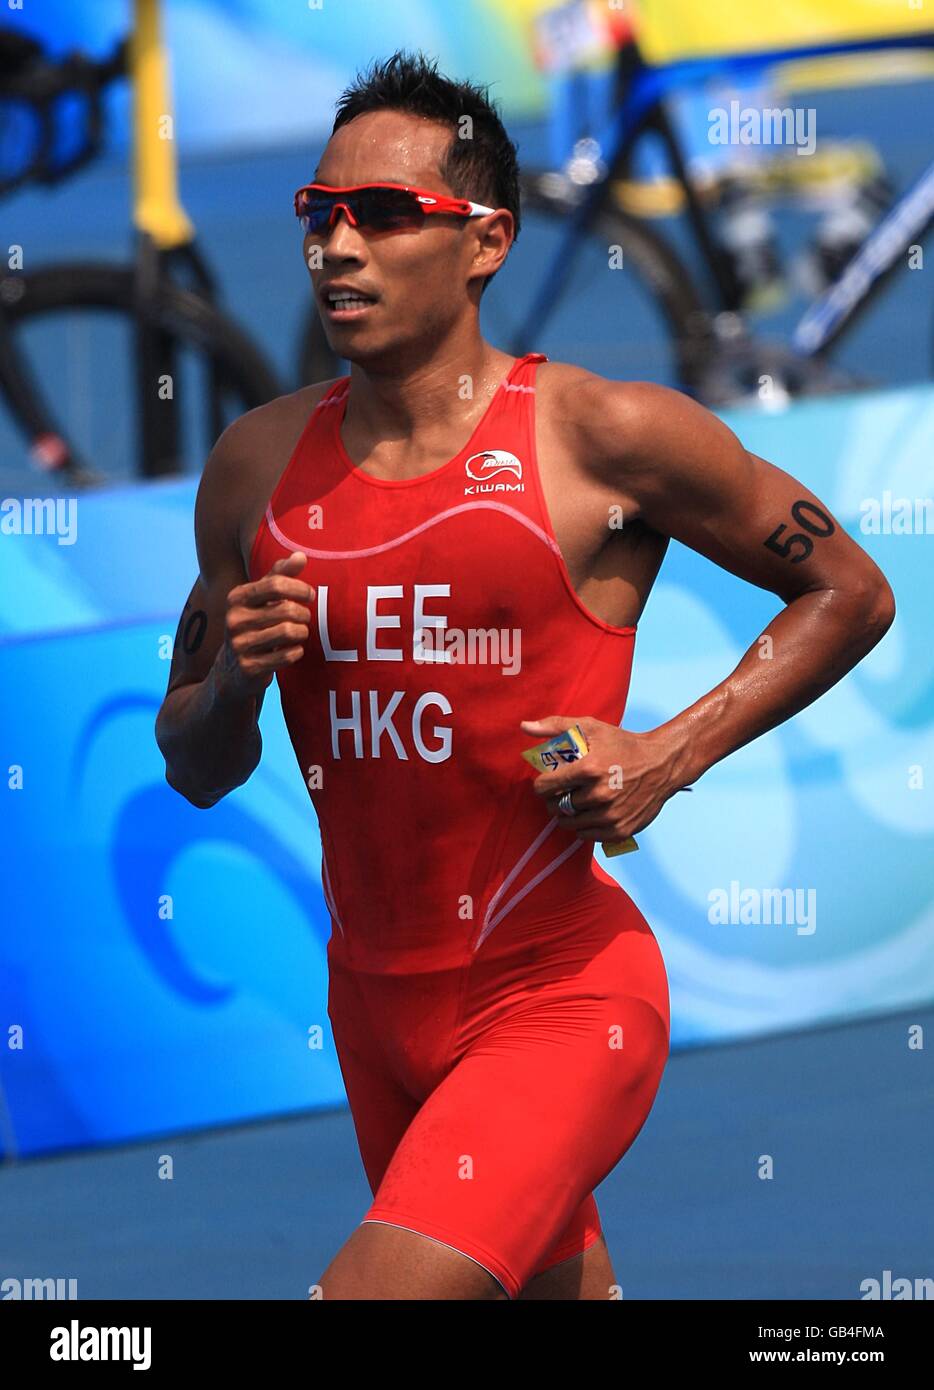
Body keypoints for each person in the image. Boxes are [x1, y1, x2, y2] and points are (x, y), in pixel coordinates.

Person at [154, 50, 895, 1301]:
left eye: (386, 216)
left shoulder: (606, 437)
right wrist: (233, 684)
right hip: (374, 1012)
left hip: (560, 996)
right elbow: (195, 770)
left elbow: (851, 590)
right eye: (319, 215)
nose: (339, 246)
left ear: (487, 240)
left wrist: (668, 752)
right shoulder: (254, 467)